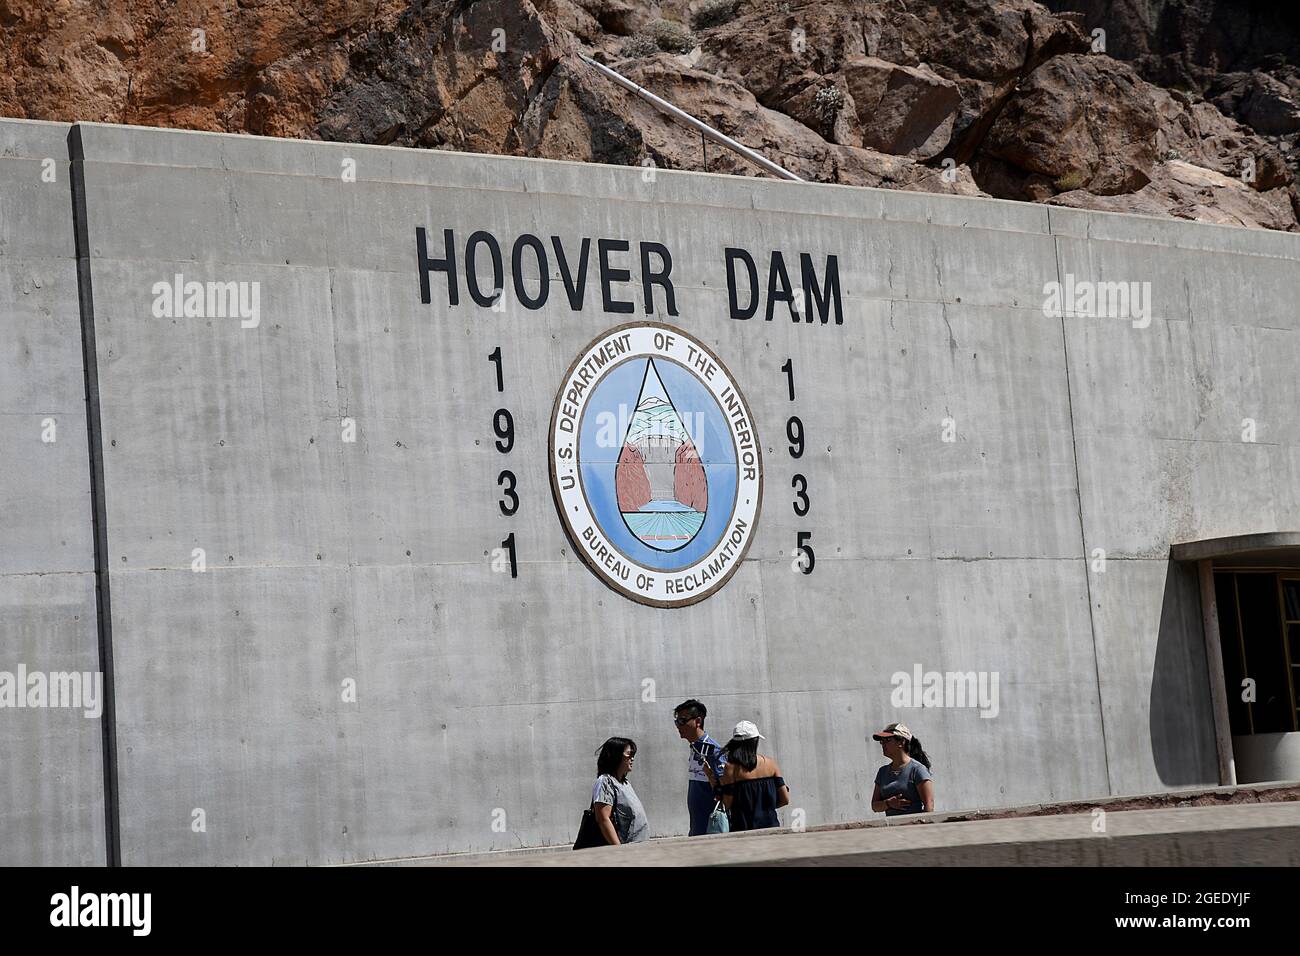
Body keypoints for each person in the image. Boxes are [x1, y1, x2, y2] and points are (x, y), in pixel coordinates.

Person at [718, 720, 789, 831]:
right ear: (755, 741)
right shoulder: (771, 764)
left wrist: (713, 780)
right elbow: (785, 799)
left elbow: (727, 804)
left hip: (742, 830)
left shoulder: (730, 768)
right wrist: (764, 808)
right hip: (771, 828)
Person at [673, 699, 727, 836]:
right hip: (698, 828)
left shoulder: (712, 750)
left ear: (698, 721)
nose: (678, 726)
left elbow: (725, 788)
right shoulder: (695, 747)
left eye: (682, 721)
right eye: (676, 721)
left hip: (710, 829)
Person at [591, 737, 649, 845]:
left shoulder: (624, 783)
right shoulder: (606, 781)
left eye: (633, 755)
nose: (632, 759)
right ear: (616, 756)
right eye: (629, 754)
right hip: (625, 850)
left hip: (639, 848)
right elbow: (603, 818)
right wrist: (619, 850)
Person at [869, 722, 935, 817]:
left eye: (887, 740)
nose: (883, 744)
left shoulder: (917, 769)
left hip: (914, 828)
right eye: (881, 741)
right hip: (891, 829)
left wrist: (923, 827)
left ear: (901, 742)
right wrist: (888, 803)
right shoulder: (882, 772)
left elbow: (929, 805)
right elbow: (874, 806)